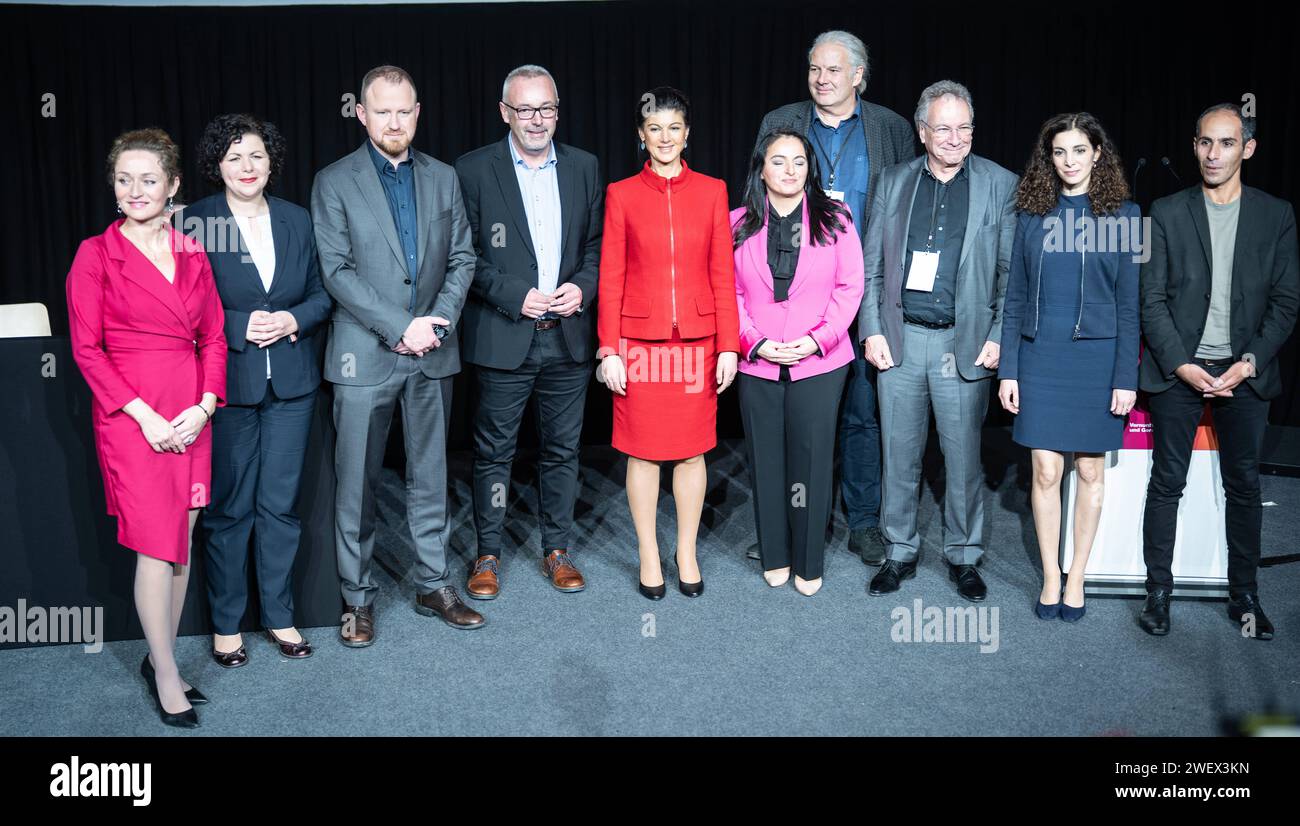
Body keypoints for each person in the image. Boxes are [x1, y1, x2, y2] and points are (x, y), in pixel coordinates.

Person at [311, 65, 480, 644]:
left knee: (431, 475)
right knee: (356, 483)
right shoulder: (333, 181)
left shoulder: (444, 177)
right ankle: (357, 598)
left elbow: (463, 258)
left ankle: (435, 582)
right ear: (361, 113)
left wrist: (436, 323)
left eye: (403, 111)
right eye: (381, 111)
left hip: (433, 349)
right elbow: (336, 270)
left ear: (417, 112)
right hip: (364, 356)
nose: (393, 121)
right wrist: (399, 327)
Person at [67, 128, 226, 727]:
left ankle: (162, 657)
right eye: (124, 179)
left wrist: (205, 405)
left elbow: (213, 337)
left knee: (180, 546)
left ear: (173, 186)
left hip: (190, 413)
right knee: (155, 549)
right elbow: (86, 350)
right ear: (113, 185)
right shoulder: (95, 254)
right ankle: (163, 671)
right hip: (135, 417)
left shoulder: (193, 253)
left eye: (149, 179)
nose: (136, 190)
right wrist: (144, 415)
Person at [752, 30, 915, 566]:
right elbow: (754, 206)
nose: (822, 80)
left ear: (859, 77)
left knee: (864, 414)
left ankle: (863, 521)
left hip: (864, 292)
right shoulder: (781, 121)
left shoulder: (890, 128)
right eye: (814, 69)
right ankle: (796, 525)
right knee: (793, 423)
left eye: (834, 71)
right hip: (794, 295)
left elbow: (906, 203)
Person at [1138, 103, 1299, 639]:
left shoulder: (1276, 215)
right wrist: (1180, 364)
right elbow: (1151, 300)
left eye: (1226, 143)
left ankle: (1245, 598)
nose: (1213, 154)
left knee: (1245, 486)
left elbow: (1286, 302)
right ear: (1195, 145)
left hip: (1245, 373)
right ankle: (1157, 594)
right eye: (1205, 142)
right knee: (1167, 482)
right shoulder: (1163, 211)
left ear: (1247, 149)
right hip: (1179, 369)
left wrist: (1249, 362)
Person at [860, 80, 1018, 602]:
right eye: (943, 128)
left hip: (964, 344)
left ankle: (965, 556)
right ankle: (899, 551)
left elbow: (1011, 275)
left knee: (964, 460)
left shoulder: (1001, 184)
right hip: (901, 341)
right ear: (922, 131)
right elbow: (870, 269)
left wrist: (999, 336)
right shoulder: (893, 182)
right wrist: (873, 329)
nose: (954, 138)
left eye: (964, 127)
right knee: (897, 456)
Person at [185, 113, 332, 665]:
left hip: (293, 384)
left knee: (281, 506)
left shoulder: (297, 219)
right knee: (229, 508)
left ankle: (279, 615)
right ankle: (226, 624)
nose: (247, 167)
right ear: (216, 166)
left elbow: (321, 295)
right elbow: (182, 309)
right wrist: (236, 323)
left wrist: (293, 319)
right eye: (234, 157)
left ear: (272, 162)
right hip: (226, 387)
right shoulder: (194, 223)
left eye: (256, 156)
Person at [454, 65, 603, 600]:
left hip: (568, 336)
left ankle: (557, 549)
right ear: (505, 113)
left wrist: (582, 288)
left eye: (546, 109)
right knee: (494, 453)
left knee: (562, 450)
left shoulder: (585, 167)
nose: (536, 120)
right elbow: (463, 255)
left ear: (558, 111)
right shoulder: (472, 171)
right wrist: (512, 295)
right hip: (504, 333)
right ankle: (487, 553)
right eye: (525, 109)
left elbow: (597, 246)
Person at [596, 86, 740, 599]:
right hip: (640, 344)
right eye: (654, 128)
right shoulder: (621, 193)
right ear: (641, 136)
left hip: (697, 344)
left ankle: (686, 551)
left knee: (692, 452)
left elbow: (723, 272)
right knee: (642, 453)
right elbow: (610, 275)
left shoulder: (714, 190)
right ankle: (649, 554)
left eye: (673, 128)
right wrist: (609, 349)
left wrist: (729, 346)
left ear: (687, 134)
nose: (664, 137)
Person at [997, 113, 1141, 622]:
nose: (1070, 161)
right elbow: (1014, 298)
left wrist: (1127, 377)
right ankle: (1051, 576)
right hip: (1040, 356)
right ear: (1049, 158)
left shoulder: (1126, 217)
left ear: (1097, 154)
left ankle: (1077, 574)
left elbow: (1130, 305)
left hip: (1097, 360)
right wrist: (1008, 369)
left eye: (1080, 150)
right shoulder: (1032, 215)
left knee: (1089, 469)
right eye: (1060, 152)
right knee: (1044, 468)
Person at [732, 130, 863, 595]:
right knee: (765, 460)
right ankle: (775, 554)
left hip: (820, 362)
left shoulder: (837, 219)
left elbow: (850, 289)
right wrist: (754, 341)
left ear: (810, 170)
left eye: (799, 162)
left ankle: (809, 561)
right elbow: (730, 293)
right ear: (760, 168)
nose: (790, 171)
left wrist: (816, 341)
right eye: (779, 161)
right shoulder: (736, 223)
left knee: (811, 461)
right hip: (758, 360)